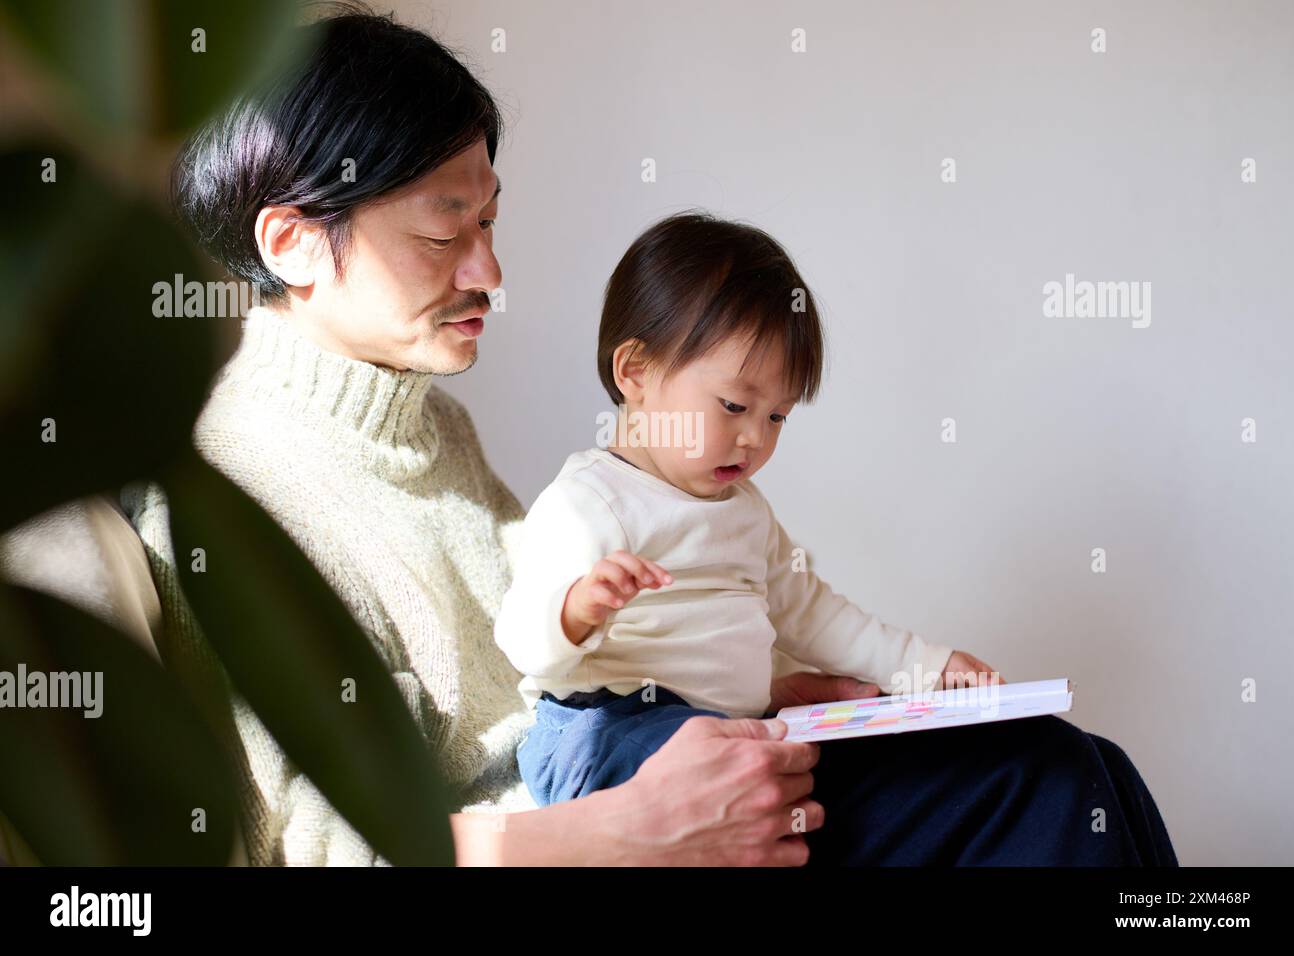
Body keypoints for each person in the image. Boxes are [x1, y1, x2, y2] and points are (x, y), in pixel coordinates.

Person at [130, 4, 1178, 866]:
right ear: (293, 243)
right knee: (1048, 790)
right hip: (606, 835)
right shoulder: (228, 499)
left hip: (661, 778)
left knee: (1075, 765)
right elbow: (307, 853)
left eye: (490, 222)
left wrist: (779, 690)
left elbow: (568, 654)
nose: (490, 271)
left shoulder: (429, 427)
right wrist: (629, 829)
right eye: (447, 230)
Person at [496, 211, 1006, 808]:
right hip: (606, 729)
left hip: (723, 728)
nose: (755, 438)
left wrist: (923, 665)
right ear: (635, 372)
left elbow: (812, 614)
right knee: (722, 764)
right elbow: (519, 638)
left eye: (776, 416)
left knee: (812, 768)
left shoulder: (745, 511)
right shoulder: (590, 502)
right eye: (734, 405)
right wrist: (576, 610)